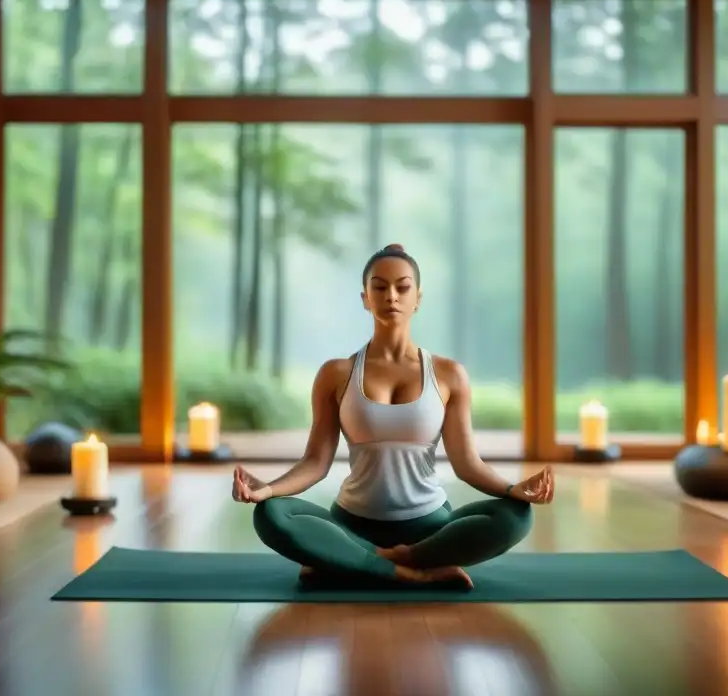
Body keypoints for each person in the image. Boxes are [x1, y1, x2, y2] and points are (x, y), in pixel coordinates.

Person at [231, 244, 554, 589]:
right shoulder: (336, 374)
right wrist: (267, 489)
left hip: (429, 526)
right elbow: (315, 462)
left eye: (403, 287)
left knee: (516, 516)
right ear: (365, 297)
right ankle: (407, 572)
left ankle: (351, 562)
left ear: (418, 297)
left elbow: (467, 464)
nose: (392, 296)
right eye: (380, 287)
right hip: (352, 524)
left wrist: (513, 489)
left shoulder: (448, 374)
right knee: (272, 515)